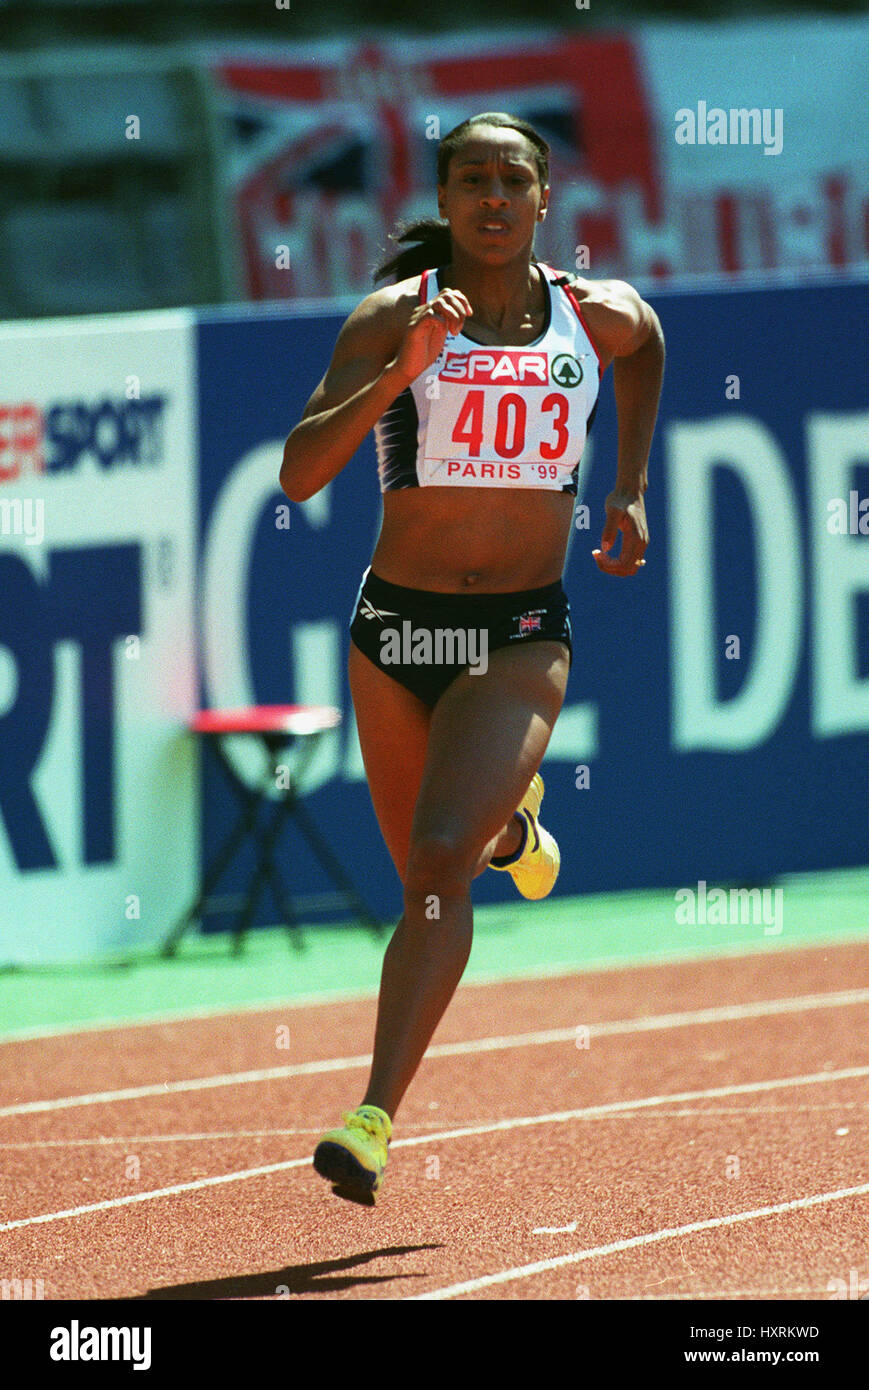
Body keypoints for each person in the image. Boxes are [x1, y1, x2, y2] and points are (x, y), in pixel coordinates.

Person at [279, 112, 664, 1205]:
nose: (492, 197)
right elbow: (299, 475)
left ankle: (369, 1119)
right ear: (442, 200)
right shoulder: (391, 319)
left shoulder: (591, 317)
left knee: (439, 857)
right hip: (395, 632)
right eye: (470, 180)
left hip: (517, 631)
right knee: (427, 873)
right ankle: (515, 824)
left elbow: (648, 350)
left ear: (544, 201)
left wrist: (628, 487)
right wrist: (402, 370)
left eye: (512, 179)